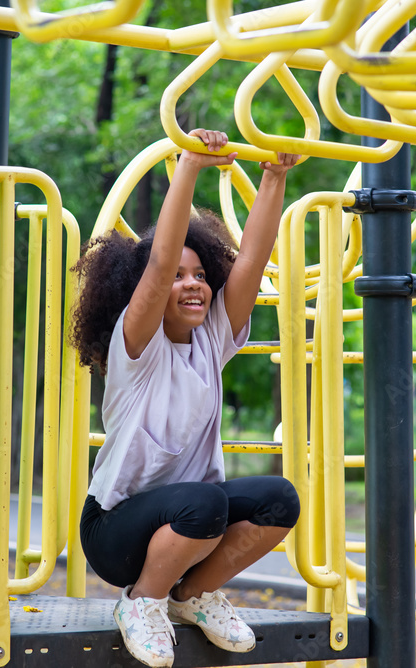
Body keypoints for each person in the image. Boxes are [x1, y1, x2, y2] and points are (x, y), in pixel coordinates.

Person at [70, 129, 302, 668]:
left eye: (200, 275)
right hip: (114, 531)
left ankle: (191, 596)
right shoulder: (137, 349)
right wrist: (189, 167)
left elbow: (251, 260)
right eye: (178, 277)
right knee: (206, 502)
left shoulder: (211, 339)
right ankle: (140, 603)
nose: (192, 284)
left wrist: (275, 177)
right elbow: (155, 266)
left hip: (188, 522)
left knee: (279, 499)